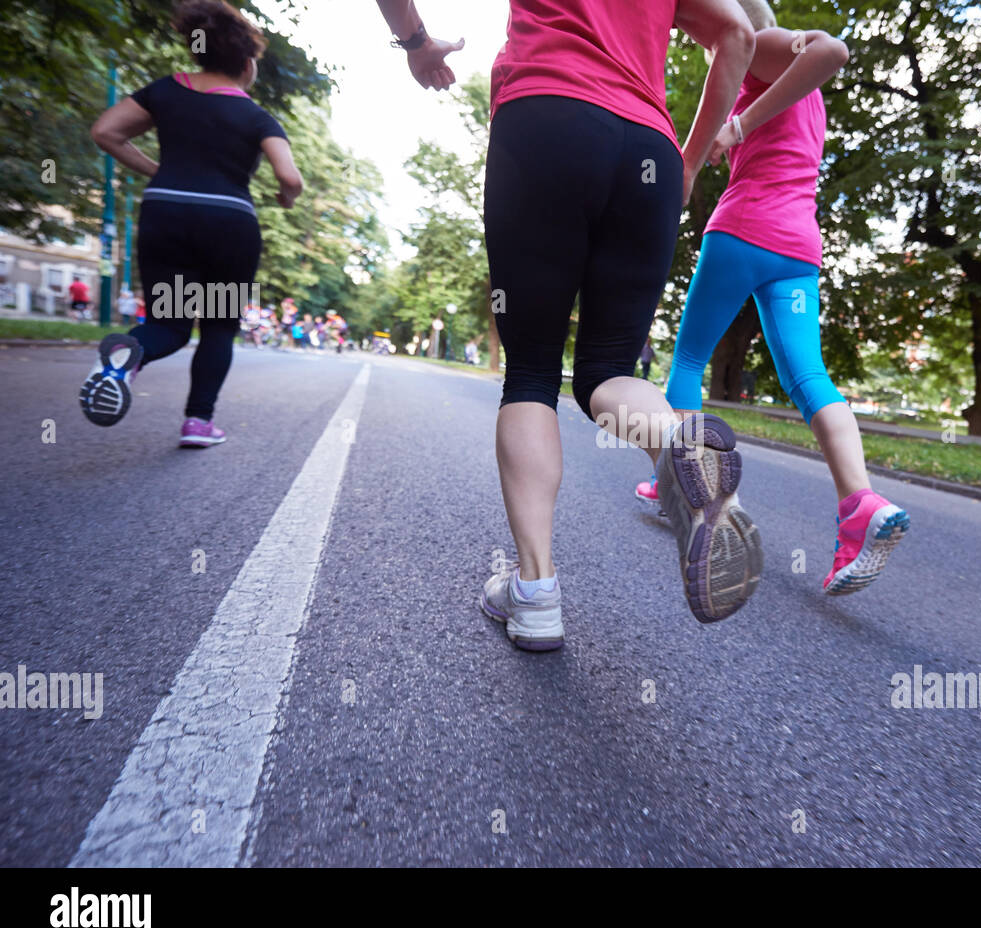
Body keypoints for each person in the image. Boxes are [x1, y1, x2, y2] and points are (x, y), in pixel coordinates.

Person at [373, 0, 760, 650]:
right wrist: (689, 161)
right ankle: (674, 441)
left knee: (530, 369)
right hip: (648, 151)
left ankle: (536, 594)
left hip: (545, 117)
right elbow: (739, 34)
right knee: (608, 370)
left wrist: (414, 40)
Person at [646, 0, 910, 597]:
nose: (693, 27)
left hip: (744, 231)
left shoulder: (765, 45)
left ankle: (701, 499)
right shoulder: (801, 93)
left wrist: (736, 125)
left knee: (687, 363)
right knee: (810, 377)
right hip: (797, 247)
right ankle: (860, 504)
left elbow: (833, 50)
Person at [80, 0, 302, 447]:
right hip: (229, 224)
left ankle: (122, 360)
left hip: (168, 213)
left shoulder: (164, 91)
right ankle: (198, 422)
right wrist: (287, 197)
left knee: (169, 324)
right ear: (246, 62)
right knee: (218, 326)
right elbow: (289, 176)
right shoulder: (257, 116)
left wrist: (157, 172)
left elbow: (106, 131)